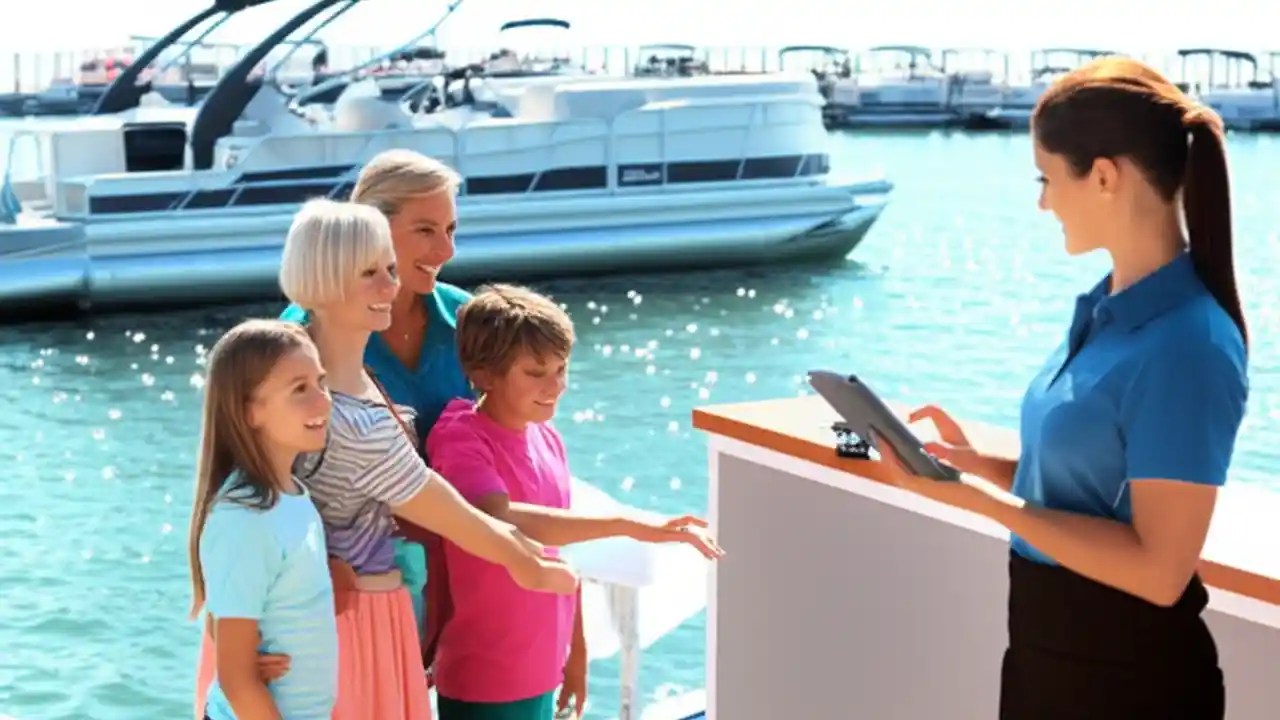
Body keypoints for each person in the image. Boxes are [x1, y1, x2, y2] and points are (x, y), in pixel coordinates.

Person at [874, 56, 1248, 720]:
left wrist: (984, 502)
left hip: (1130, 683)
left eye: (1046, 179)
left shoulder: (1189, 343)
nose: (1042, 202)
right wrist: (975, 469)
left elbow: (1161, 571)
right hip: (1049, 660)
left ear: (1103, 176)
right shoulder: (1106, 312)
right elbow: (1095, 492)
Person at [426, 284, 724, 720]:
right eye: (536, 372)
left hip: (543, 666)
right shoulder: (461, 437)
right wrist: (625, 523)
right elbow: (497, 517)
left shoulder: (547, 438)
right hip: (484, 675)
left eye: (562, 369)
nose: (556, 386)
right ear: (483, 373)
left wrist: (575, 654)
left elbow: (558, 552)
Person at [280, 149, 470, 635]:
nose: (446, 252)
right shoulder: (294, 340)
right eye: (426, 230)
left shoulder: (474, 322)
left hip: (465, 571)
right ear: (373, 230)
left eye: (451, 230)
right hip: (346, 593)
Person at [187, 319, 338, 720]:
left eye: (320, 383)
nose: (323, 401)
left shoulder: (291, 495)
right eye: (300, 390)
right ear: (249, 411)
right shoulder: (246, 519)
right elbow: (238, 681)